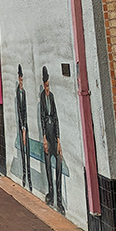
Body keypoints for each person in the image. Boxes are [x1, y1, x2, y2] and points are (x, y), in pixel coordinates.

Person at [39, 65, 64, 214]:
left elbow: (56, 117)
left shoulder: (52, 96)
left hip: (54, 134)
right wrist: (44, 139)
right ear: (43, 84)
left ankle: (59, 198)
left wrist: (59, 139)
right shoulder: (42, 98)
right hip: (47, 136)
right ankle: (50, 192)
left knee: (59, 163)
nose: (47, 88)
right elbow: (42, 118)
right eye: (46, 85)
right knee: (48, 165)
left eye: (49, 85)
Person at [16, 64, 32, 191]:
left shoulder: (24, 92)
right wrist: (22, 129)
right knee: (23, 151)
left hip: (25, 127)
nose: (22, 82)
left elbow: (25, 111)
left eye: (22, 80)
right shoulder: (18, 93)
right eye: (20, 80)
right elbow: (21, 113)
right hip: (22, 128)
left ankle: (29, 178)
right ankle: (24, 175)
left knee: (27, 153)